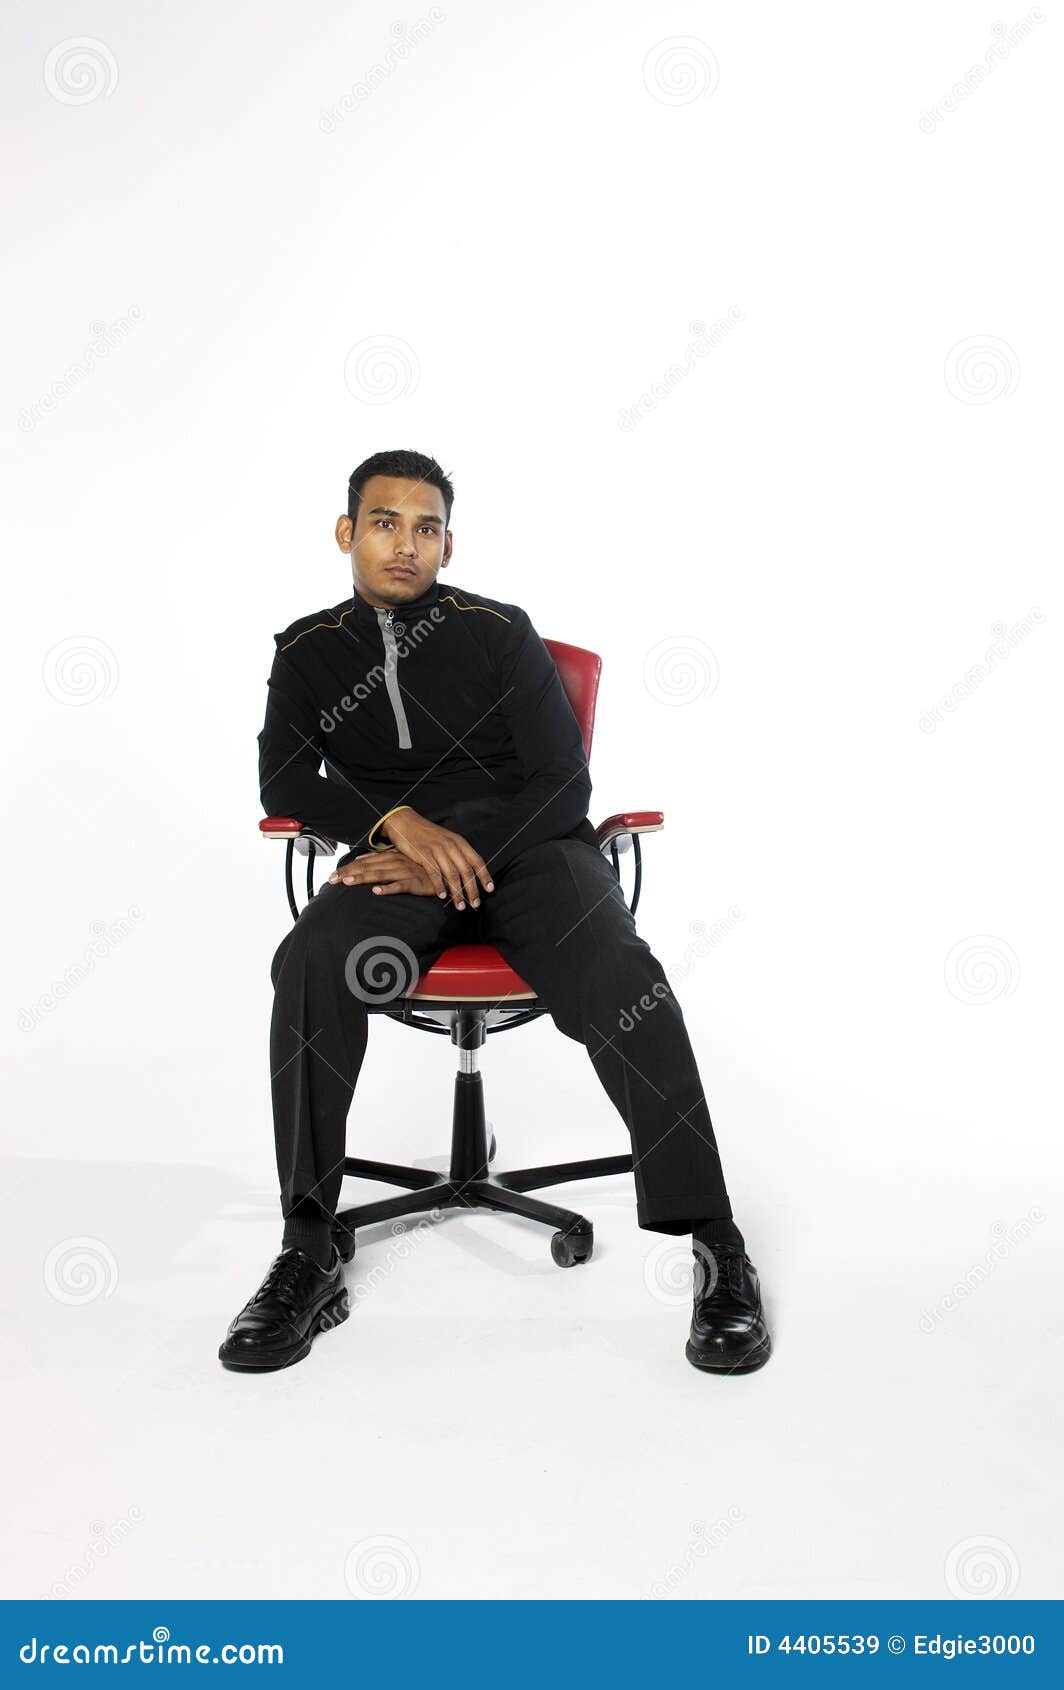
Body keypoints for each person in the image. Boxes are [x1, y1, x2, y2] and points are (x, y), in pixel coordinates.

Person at [218, 449, 771, 1377]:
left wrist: (456, 852)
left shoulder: (496, 630)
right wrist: (400, 828)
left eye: (427, 527)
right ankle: (307, 1251)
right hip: (394, 868)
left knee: (619, 972)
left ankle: (716, 1242)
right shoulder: (307, 649)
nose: (407, 544)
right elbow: (285, 782)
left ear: (448, 543)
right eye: (385, 523)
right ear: (347, 532)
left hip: (534, 854)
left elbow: (562, 779)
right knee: (310, 959)